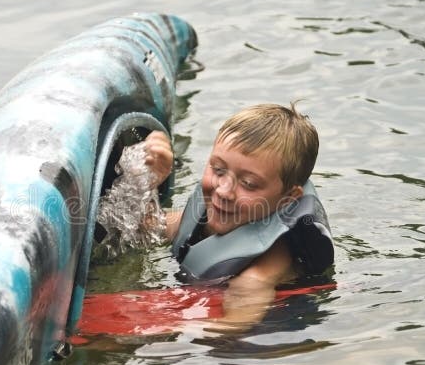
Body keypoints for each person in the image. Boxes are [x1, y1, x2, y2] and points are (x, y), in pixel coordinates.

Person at [142, 103, 334, 310]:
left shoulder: (259, 274)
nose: (224, 190)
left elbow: (230, 328)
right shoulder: (202, 218)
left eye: (249, 184)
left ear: (287, 199)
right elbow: (142, 226)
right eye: (218, 169)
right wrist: (149, 181)